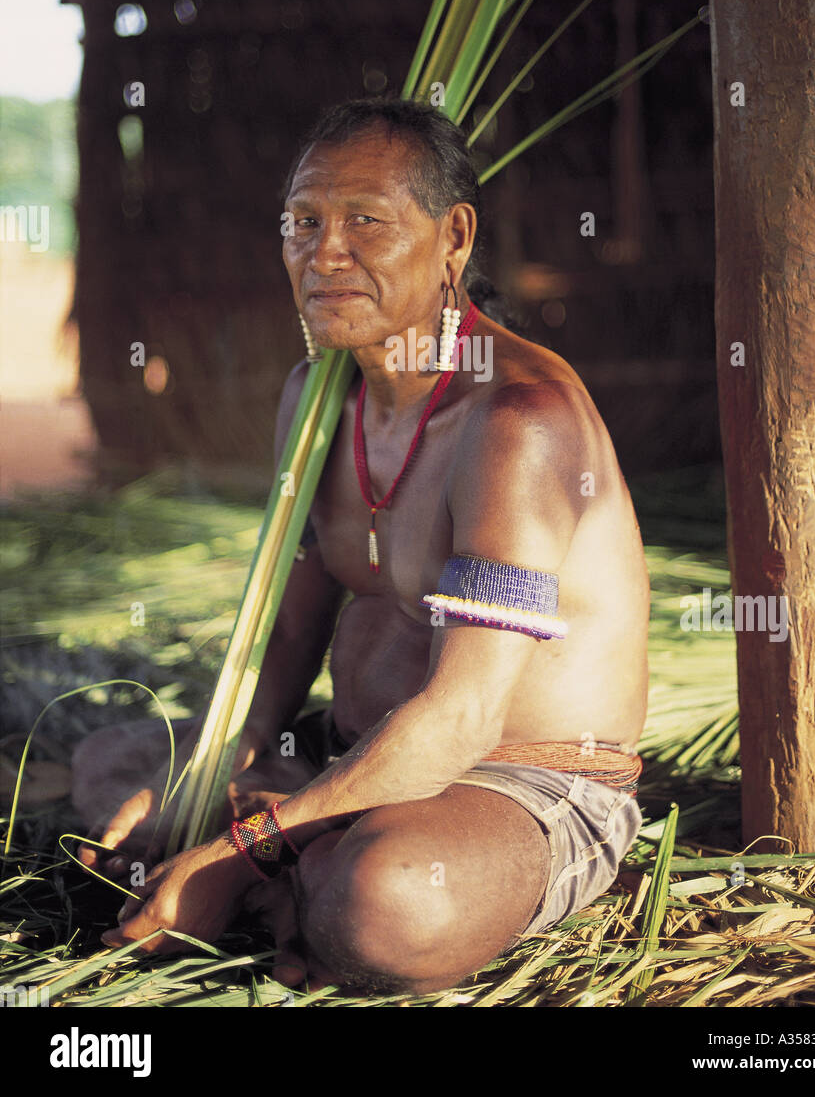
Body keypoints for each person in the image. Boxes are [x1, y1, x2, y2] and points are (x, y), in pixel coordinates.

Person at [72, 96, 650, 996]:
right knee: (113, 773)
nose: (322, 253)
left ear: (453, 238)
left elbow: (462, 721)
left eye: (365, 223)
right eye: (302, 222)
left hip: (516, 781)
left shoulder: (517, 423)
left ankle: (312, 875)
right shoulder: (315, 398)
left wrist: (245, 850)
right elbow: (294, 624)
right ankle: (308, 859)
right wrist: (234, 755)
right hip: (350, 754)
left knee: (386, 901)